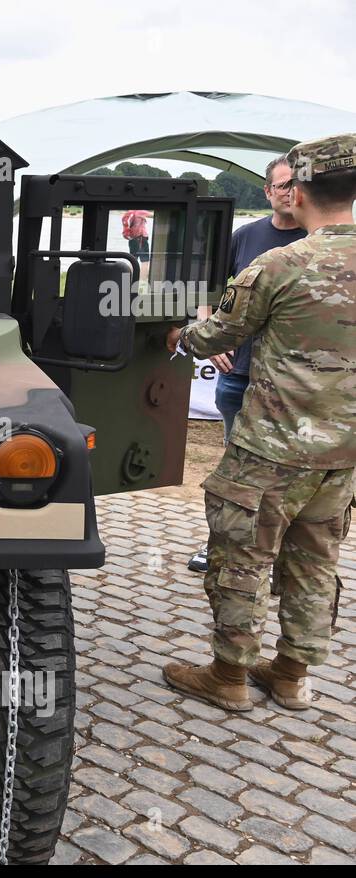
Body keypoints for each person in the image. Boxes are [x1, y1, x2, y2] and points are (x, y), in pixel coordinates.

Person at [163, 133, 356, 713]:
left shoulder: (282, 263)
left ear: (295, 192)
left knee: (241, 558)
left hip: (270, 449)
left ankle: (228, 676)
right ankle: (292, 674)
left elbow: (217, 335)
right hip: (342, 454)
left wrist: (177, 335)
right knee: (315, 561)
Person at [187, 157, 307, 573]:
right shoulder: (246, 236)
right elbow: (209, 284)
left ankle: (278, 557)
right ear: (268, 191)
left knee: (290, 476)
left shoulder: (319, 240)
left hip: (295, 388)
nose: (289, 191)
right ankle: (219, 546)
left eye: (297, 183)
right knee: (234, 471)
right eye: (282, 184)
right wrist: (205, 322)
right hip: (240, 379)